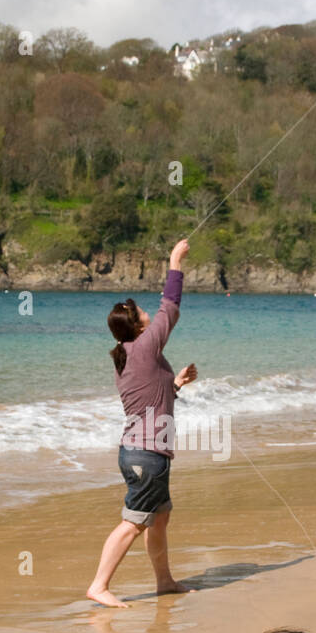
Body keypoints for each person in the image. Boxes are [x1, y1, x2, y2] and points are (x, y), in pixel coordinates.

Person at [87, 239, 198, 609]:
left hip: (144, 452)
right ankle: (99, 586)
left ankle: (164, 581)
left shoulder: (130, 355)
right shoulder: (146, 346)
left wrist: (175, 385)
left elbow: (150, 400)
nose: (148, 311)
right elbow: (172, 305)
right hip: (145, 456)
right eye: (140, 311)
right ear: (137, 327)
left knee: (159, 519)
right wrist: (175, 262)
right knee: (133, 523)